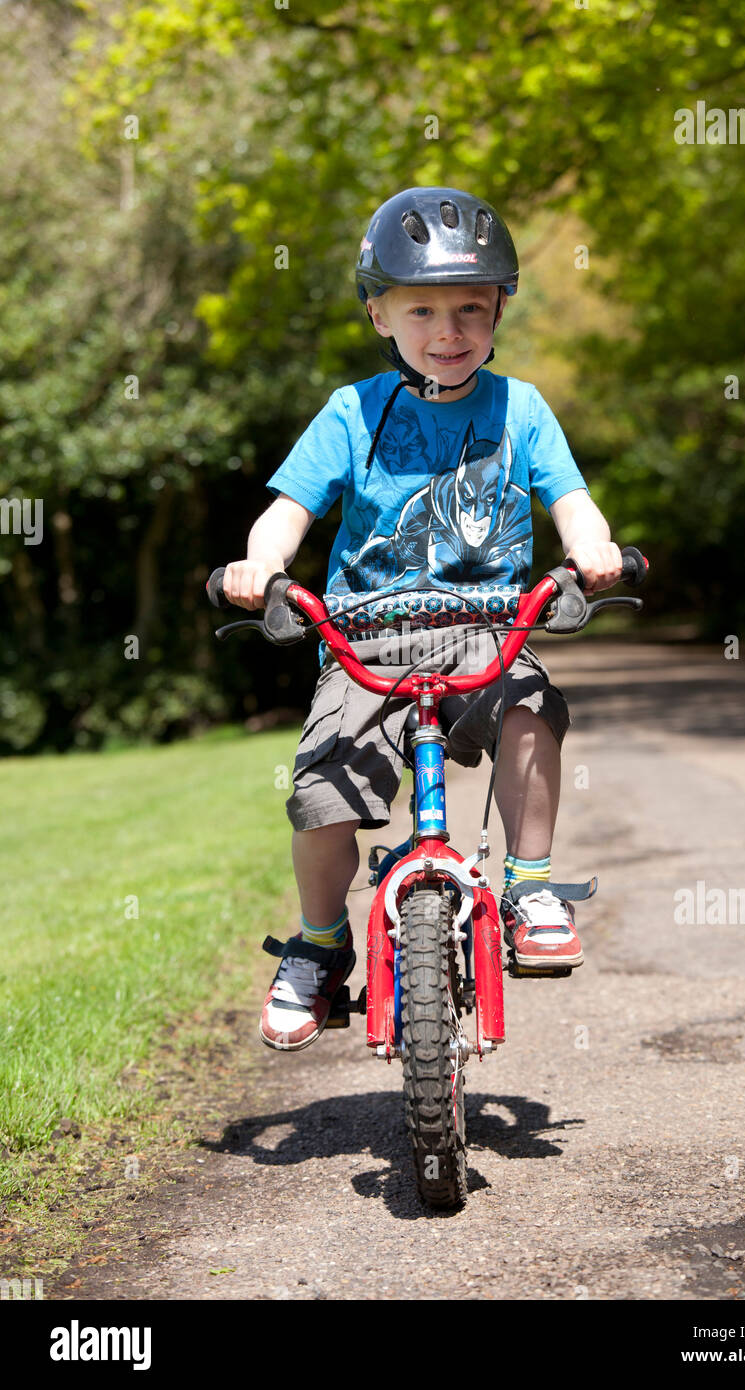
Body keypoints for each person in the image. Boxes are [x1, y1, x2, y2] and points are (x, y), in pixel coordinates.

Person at [221, 186, 623, 1052]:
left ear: (499, 311)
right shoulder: (351, 412)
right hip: (364, 640)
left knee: (530, 710)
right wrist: (264, 564)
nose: (450, 330)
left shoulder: (522, 410)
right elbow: (289, 508)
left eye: (471, 308)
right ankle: (321, 946)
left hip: (487, 631)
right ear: (379, 313)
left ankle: (530, 888)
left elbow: (572, 500)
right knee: (320, 787)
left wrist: (594, 549)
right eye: (424, 309)